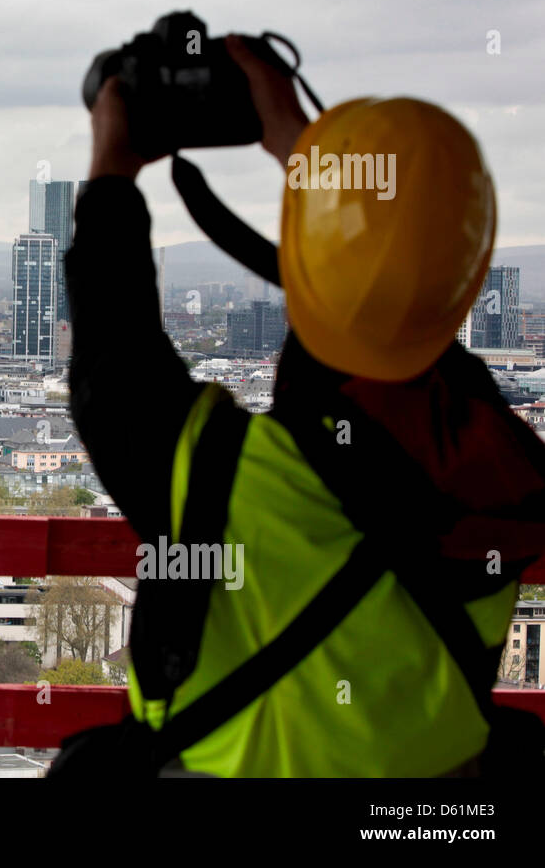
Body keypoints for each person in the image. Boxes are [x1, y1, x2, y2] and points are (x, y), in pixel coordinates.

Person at [58, 38, 545, 777]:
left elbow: (110, 353)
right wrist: (313, 159)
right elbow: (404, 309)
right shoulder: (492, 466)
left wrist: (113, 165)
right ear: (474, 271)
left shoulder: (219, 473)